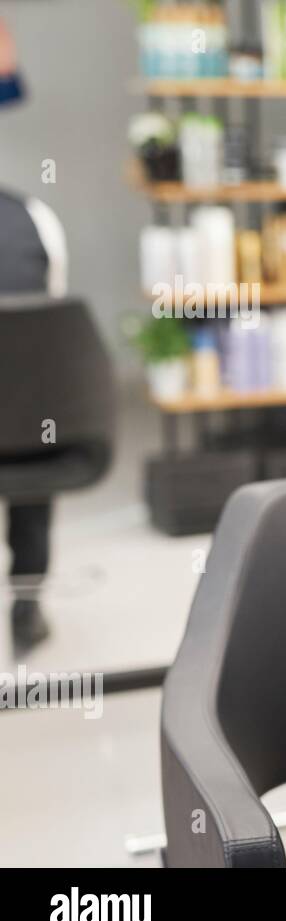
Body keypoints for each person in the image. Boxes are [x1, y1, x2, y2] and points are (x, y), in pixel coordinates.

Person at [0, 182, 68, 652]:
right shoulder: (35, 215)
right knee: (36, 406)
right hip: (26, 427)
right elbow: (53, 315)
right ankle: (27, 607)